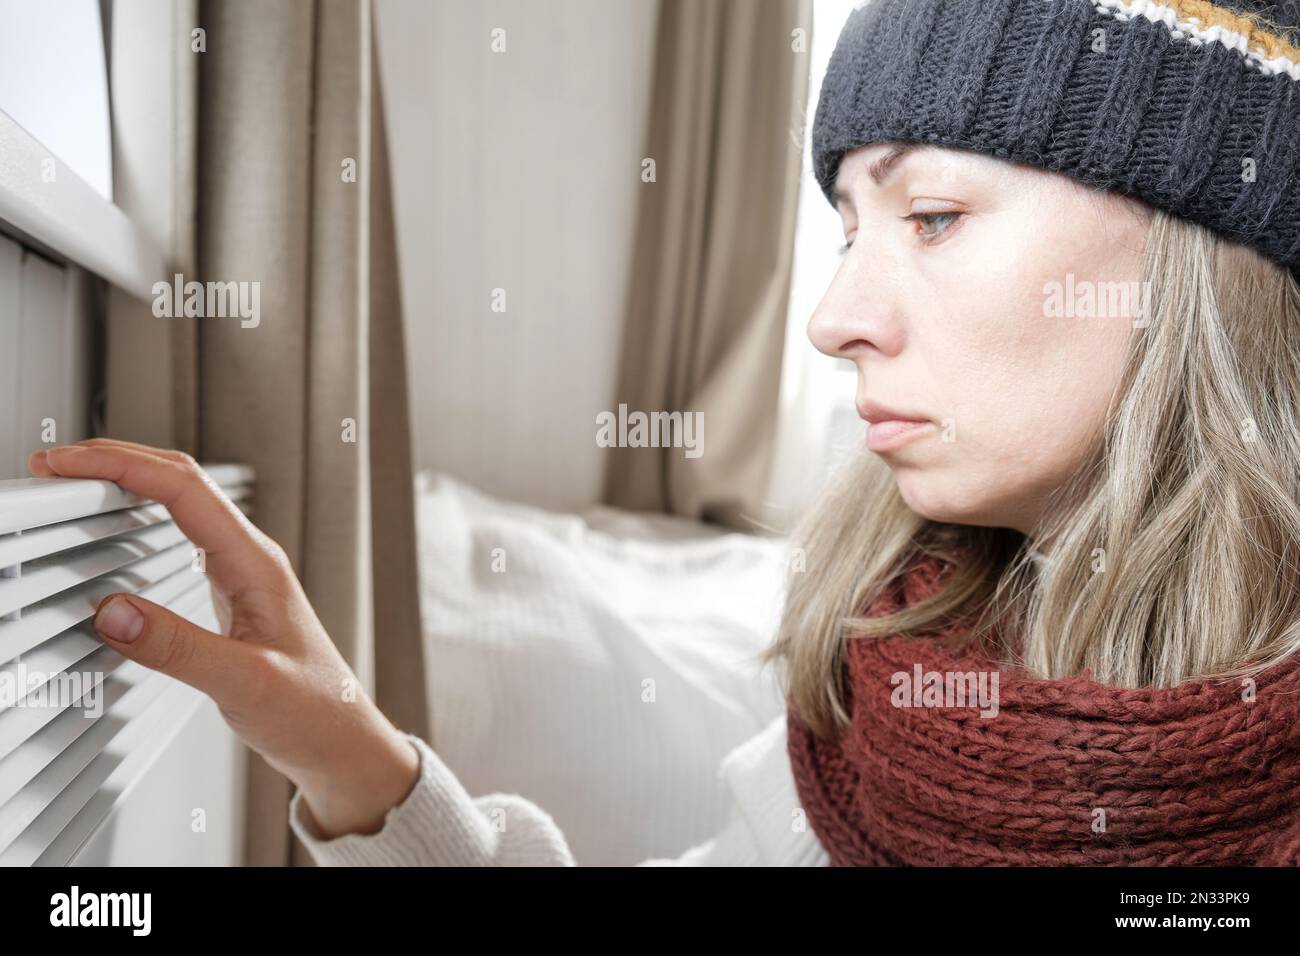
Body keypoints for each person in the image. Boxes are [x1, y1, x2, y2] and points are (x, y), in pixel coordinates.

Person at [29, 0, 1300, 865]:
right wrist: (351, 753)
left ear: (1201, 251)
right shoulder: (884, 697)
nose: (832, 318)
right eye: (847, 230)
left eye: (932, 214)